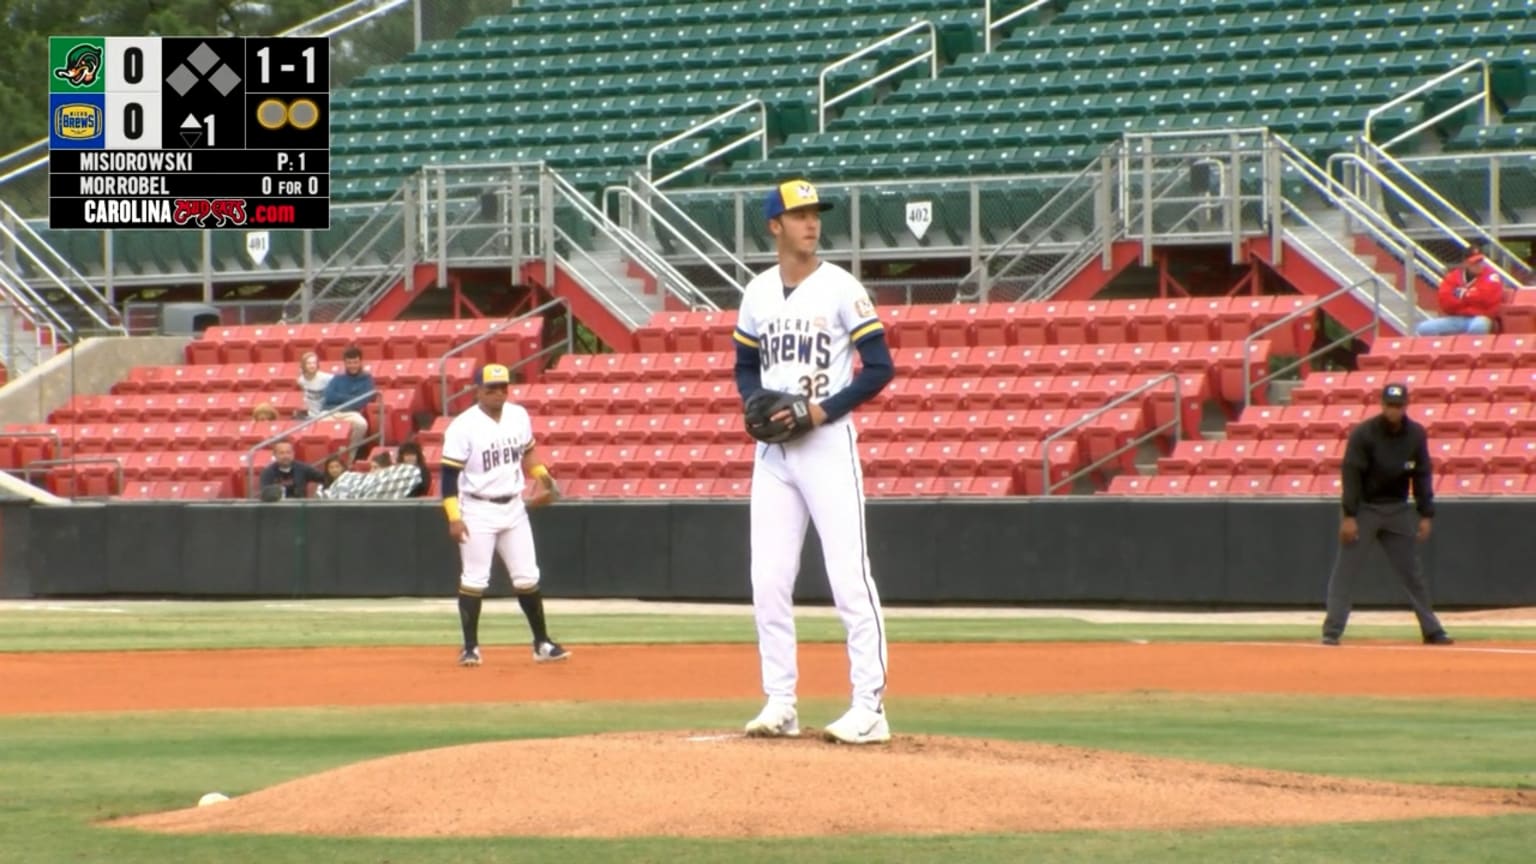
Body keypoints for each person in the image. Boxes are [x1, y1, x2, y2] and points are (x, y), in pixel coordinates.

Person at [732, 178, 896, 745]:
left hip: (826, 445)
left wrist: (823, 412)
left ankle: (869, 707)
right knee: (768, 579)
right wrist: (752, 403)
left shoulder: (841, 288)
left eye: (814, 213)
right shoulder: (756, 293)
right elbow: (745, 366)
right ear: (774, 225)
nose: (811, 222)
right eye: (799, 214)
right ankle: (781, 701)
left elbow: (879, 368)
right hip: (774, 453)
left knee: (848, 575)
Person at [440, 363, 568, 667]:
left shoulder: (518, 415)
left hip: (513, 505)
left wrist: (543, 476)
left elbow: (527, 453)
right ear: (477, 391)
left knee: (527, 577)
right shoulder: (462, 426)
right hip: (476, 507)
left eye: (503, 387)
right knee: (474, 579)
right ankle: (470, 647)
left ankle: (542, 644)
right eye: (491, 388)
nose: (498, 393)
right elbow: (448, 478)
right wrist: (454, 516)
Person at [1321, 383, 1453, 647]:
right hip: (1365, 509)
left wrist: (1426, 513)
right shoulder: (1364, 434)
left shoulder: (1415, 434)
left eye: (1398, 406)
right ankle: (1332, 630)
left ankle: (1432, 629)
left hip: (1397, 508)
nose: (1394, 411)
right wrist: (1349, 515)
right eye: (1390, 405)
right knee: (1346, 571)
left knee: (1411, 572)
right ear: (1382, 405)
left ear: (1405, 406)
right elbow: (1351, 473)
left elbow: (1422, 475)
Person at [1415, 245, 1509, 336]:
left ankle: (1469, 351)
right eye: (1474, 262)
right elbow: (1445, 303)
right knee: (1424, 328)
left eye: (1480, 261)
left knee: (1477, 327)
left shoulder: (1491, 275)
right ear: (1466, 263)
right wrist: (1472, 297)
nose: (1479, 265)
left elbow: (1487, 298)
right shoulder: (1453, 277)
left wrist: (1463, 295)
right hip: (1458, 318)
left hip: (1483, 318)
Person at [320, 346, 377, 461]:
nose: (352, 366)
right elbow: (329, 396)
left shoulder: (367, 379)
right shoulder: (337, 378)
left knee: (361, 424)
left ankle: (348, 458)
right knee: (318, 423)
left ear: (360, 362)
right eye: (349, 363)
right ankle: (327, 460)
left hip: (351, 413)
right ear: (345, 363)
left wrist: (340, 398)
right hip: (331, 411)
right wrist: (351, 398)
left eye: (355, 362)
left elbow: (362, 401)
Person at [256, 441, 326, 500]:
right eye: (281, 453)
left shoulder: (303, 468)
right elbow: (265, 493)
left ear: (293, 453)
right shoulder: (268, 472)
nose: (285, 456)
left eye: (288, 452)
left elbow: (325, 478)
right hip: (277, 510)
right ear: (275, 455)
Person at [296, 351, 334, 420]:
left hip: (326, 414)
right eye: (309, 363)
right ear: (304, 365)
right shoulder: (301, 380)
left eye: (314, 363)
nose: (312, 365)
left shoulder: (325, 378)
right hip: (312, 416)